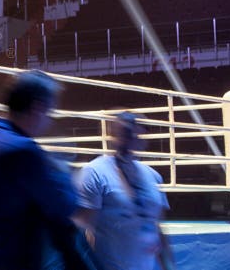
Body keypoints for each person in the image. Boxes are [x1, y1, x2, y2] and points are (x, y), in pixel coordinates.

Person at [0, 70, 96, 270]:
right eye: (49, 112)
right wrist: (62, 172)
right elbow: (65, 206)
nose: (49, 121)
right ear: (37, 108)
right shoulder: (23, 150)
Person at [75, 112, 175, 270]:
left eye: (135, 133)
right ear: (112, 136)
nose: (130, 138)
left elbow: (157, 228)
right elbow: (82, 232)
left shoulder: (153, 176)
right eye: (124, 133)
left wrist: (169, 266)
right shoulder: (94, 172)